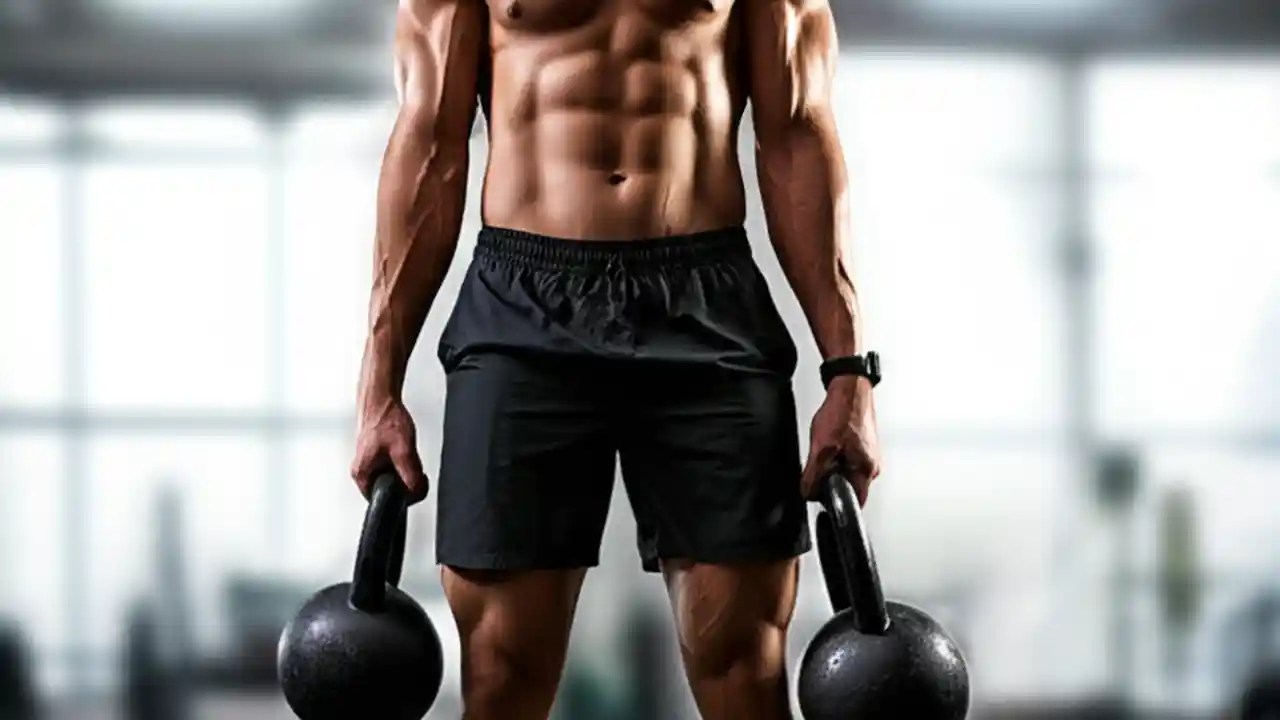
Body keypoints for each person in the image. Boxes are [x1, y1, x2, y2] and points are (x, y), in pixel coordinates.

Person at [350, 0, 881, 717]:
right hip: (520, 308)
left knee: (746, 669)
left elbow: (796, 137)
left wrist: (849, 373)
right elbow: (430, 144)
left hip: (707, 307)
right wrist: (378, 384)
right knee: (502, 671)